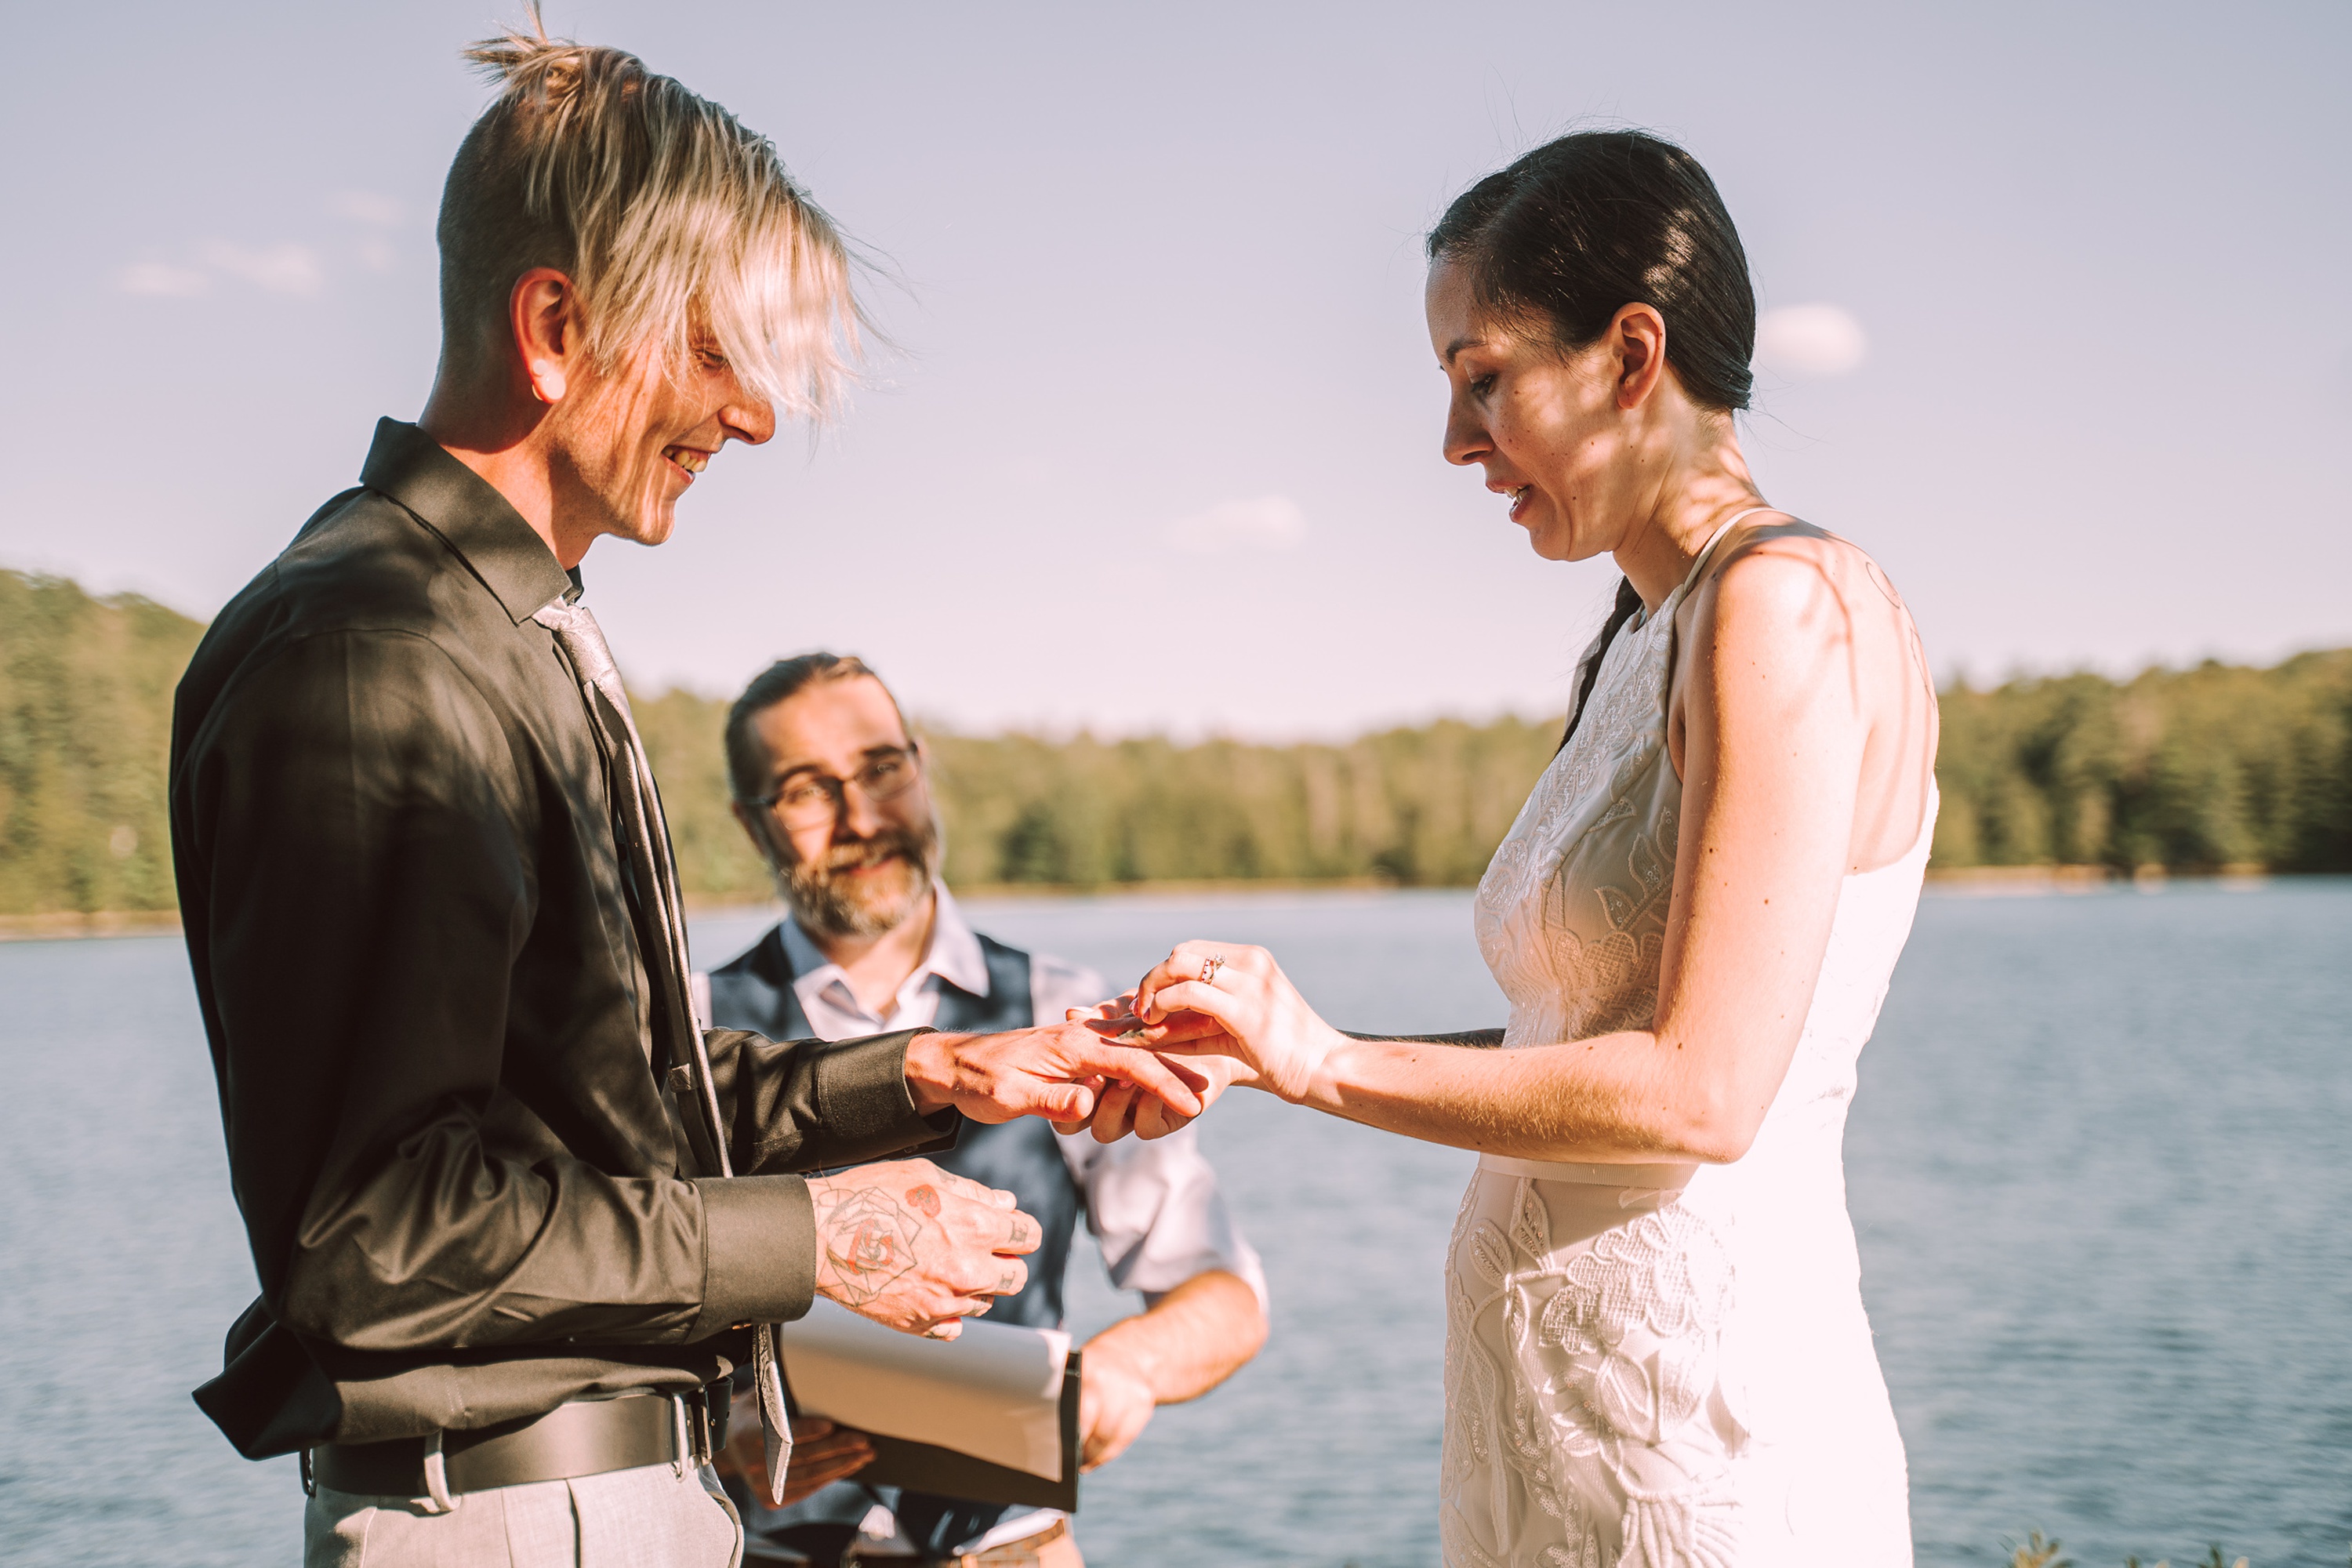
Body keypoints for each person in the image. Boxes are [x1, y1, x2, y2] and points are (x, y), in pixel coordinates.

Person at [166, 16, 1196, 1568]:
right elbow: (380, 1228)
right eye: (713, 349)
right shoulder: (376, 657)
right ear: (554, 328)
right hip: (517, 1520)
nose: (755, 413)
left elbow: (615, 1115)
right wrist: (815, 1237)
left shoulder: (508, 635)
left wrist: (935, 1075)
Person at [1102, 130, 1938, 1566]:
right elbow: (1583, 1038)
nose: (1455, 441)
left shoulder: (1787, 605)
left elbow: (1701, 1092)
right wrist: (1271, 1054)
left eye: (1482, 379)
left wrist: (1328, 1061)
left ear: (1631, 354)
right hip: (1558, 1427)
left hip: (1703, 1443)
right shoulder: (1643, 634)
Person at [696, 653, 1270, 1567]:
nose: (862, 816)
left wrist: (1126, 1370)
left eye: (883, 769)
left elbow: (1224, 1292)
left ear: (921, 767)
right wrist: (712, 1444)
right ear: (749, 821)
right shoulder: (685, 1030)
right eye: (808, 790)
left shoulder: (1069, 1007)